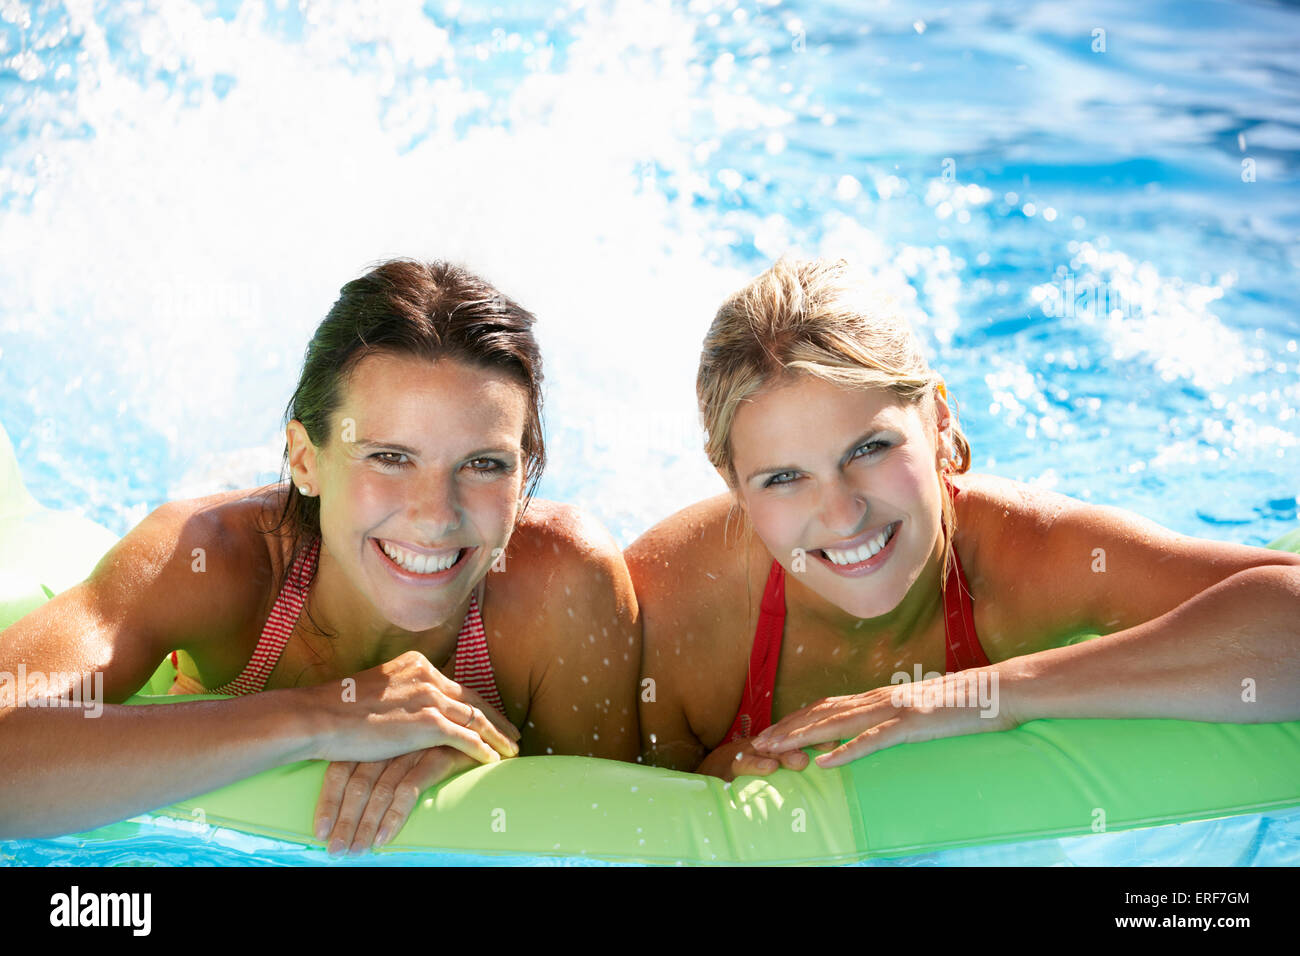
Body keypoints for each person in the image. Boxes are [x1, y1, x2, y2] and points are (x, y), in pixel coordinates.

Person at [0, 259, 640, 851]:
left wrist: (486, 753)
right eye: (390, 457)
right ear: (305, 459)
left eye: (484, 464)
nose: (437, 515)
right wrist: (321, 715)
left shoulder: (567, 586)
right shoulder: (213, 558)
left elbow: (620, 833)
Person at [627, 256, 1300, 781]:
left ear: (940, 422)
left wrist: (981, 694)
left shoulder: (1029, 561)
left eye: (869, 448)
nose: (841, 513)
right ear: (734, 488)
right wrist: (707, 777)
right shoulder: (677, 614)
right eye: (783, 478)